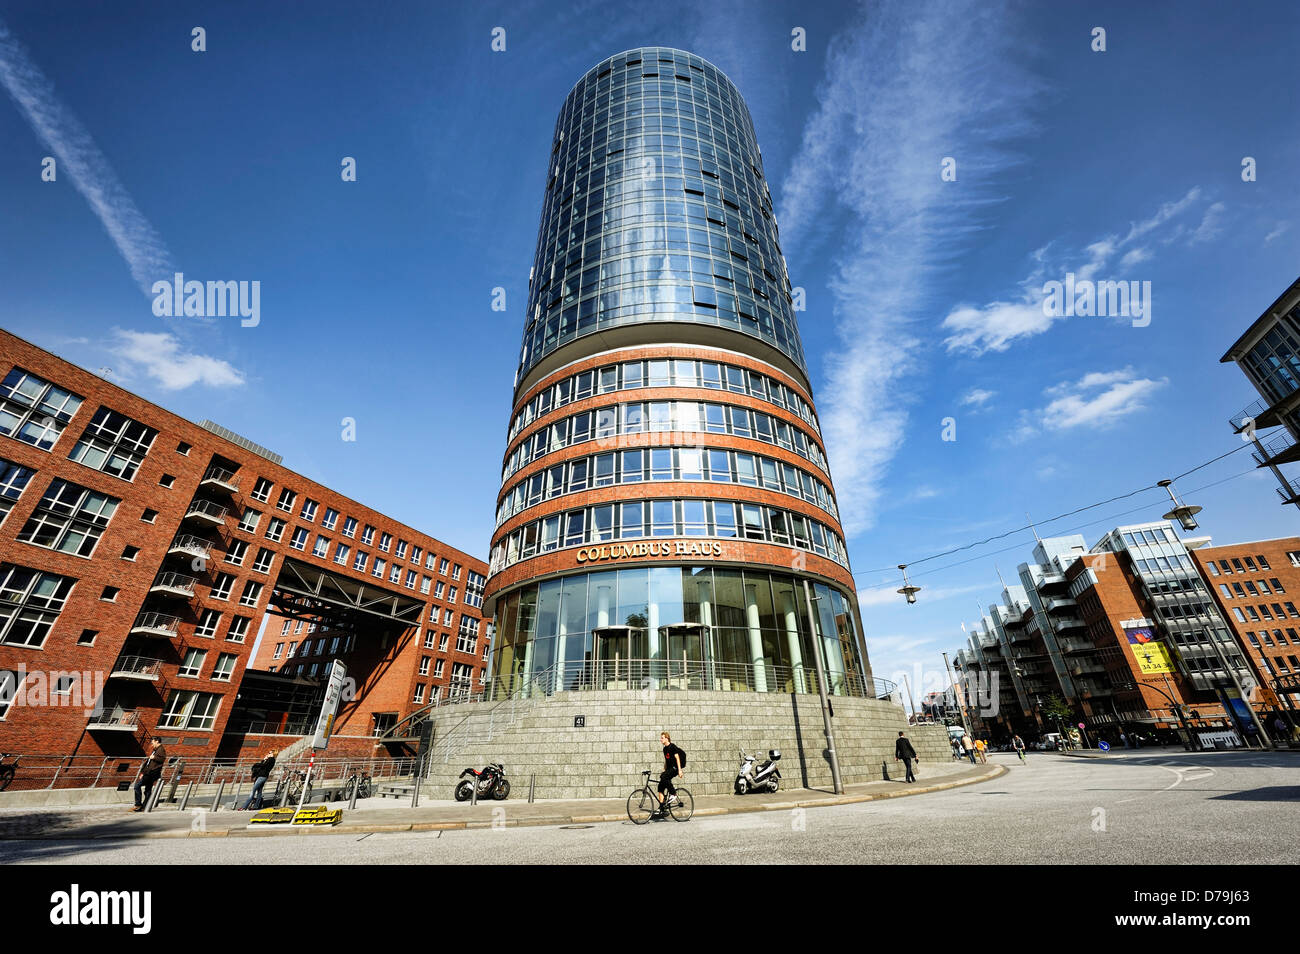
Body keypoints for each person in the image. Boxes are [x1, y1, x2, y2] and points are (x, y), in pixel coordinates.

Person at [654, 731, 685, 818]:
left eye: (662, 738)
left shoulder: (672, 746)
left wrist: (679, 770)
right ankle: (662, 808)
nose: (661, 739)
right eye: (661, 738)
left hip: (675, 768)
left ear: (667, 738)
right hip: (669, 768)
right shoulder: (664, 749)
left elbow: (677, 758)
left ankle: (673, 794)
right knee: (660, 787)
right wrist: (664, 769)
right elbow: (666, 761)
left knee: (664, 777)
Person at [131, 739, 167, 812]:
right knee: (148, 790)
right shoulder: (155, 749)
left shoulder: (161, 749)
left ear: (157, 741)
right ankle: (144, 806)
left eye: (152, 742)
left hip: (151, 773)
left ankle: (138, 804)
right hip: (148, 772)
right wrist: (142, 772)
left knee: (137, 786)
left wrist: (154, 757)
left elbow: (162, 759)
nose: (152, 744)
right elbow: (148, 763)